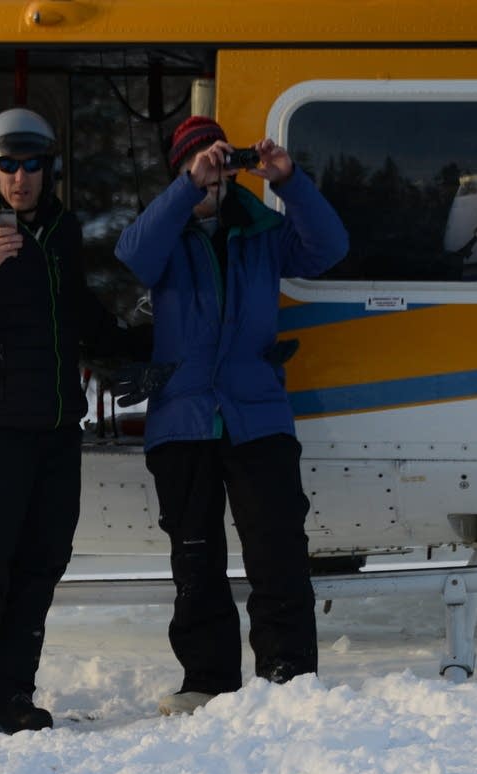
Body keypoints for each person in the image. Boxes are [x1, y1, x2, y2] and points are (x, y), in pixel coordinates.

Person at [114, 115, 349, 716]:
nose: (212, 181)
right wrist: (187, 187)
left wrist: (290, 180)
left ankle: (288, 677)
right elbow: (132, 255)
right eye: (200, 170)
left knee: (277, 552)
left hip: (257, 416)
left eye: (218, 171)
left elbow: (329, 247)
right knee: (195, 557)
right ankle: (207, 680)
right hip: (182, 420)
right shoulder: (165, 233)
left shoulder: (264, 230)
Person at [0, 107, 131, 740]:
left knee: (41, 562)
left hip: (57, 423)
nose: (21, 178)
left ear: (48, 170)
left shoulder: (62, 229)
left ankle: (12, 692)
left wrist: (130, 342)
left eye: (32, 165)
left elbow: (78, 309)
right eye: (8, 166)